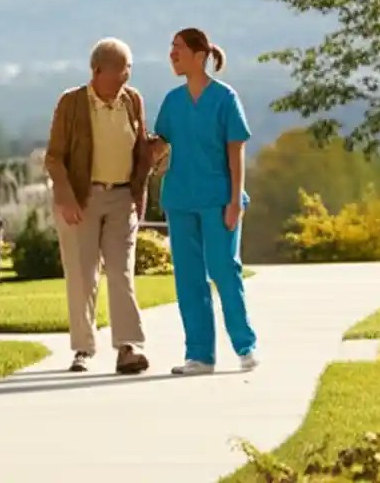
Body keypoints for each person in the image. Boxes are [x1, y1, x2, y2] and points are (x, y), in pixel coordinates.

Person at [149, 27, 258, 375]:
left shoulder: (225, 98)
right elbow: (159, 143)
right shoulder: (172, 101)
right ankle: (199, 356)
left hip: (218, 199)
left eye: (178, 48)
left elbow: (235, 150)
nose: (172, 54)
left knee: (225, 270)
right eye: (171, 48)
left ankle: (245, 346)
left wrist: (235, 201)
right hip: (180, 199)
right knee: (188, 278)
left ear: (200, 56)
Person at [44, 37, 152, 374]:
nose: (125, 77)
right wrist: (65, 196)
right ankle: (83, 350)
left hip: (121, 198)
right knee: (82, 275)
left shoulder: (132, 101)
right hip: (82, 198)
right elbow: (54, 157)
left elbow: (140, 150)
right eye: (119, 71)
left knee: (121, 272)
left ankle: (128, 347)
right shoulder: (72, 103)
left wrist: (141, 188)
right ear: (96, 70)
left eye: (128, 70)